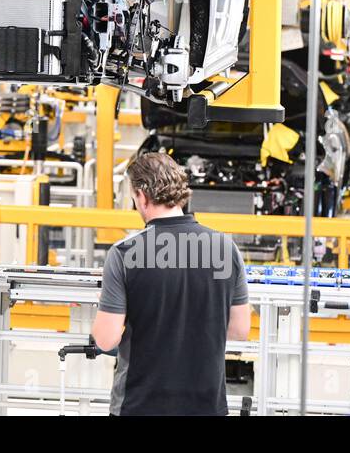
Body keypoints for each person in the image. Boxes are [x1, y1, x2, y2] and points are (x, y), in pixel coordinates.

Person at [91, 151, 251, 415]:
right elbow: (239, 330)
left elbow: (105, 340)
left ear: (142, 196)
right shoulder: (225, 248)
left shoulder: (124, 254)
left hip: (140, 404)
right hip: (206, 406)